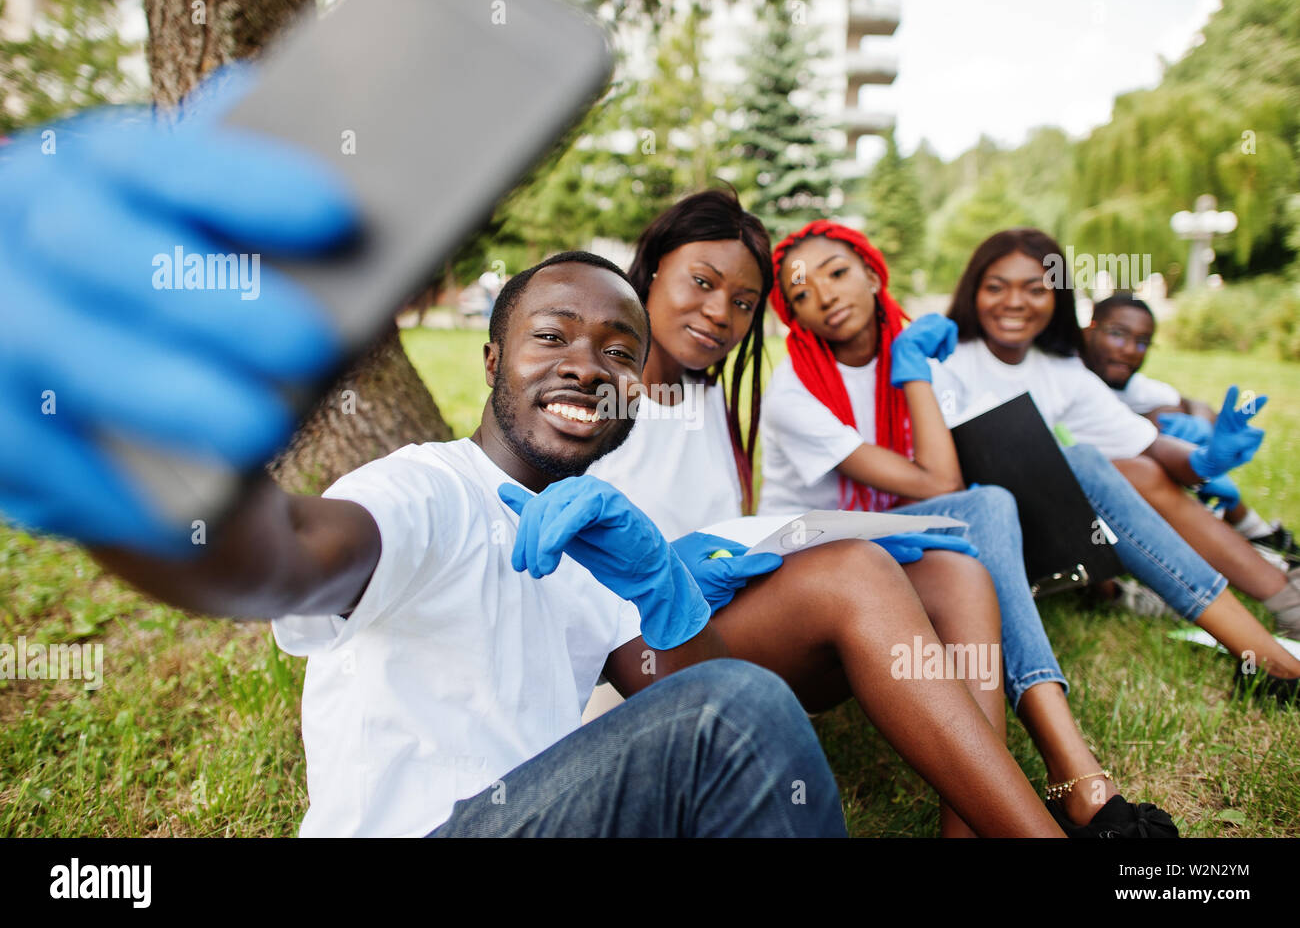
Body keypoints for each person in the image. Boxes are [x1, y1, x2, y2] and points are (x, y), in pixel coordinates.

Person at [0, 106, 854, 836]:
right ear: (491, 360)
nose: (589, 367)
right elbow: (281, 554)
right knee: (735, 715)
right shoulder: (425, 489)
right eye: (553, 337)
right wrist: (129, 451)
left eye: (619, 352)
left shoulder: (598, 535)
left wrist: (664, 591)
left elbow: (692, 693)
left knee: (737, 703)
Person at [588, 191, 1099, 837]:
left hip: (717, 621)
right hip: (641, 653)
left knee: (957, 573)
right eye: (702, 282)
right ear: (653, 265)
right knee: (856, 569)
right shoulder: (598, 393)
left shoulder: (708, 392)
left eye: (743, 302)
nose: (719, 313)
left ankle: (967, 830)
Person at [752, 218, 1176, 836]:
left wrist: (912, 367)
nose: (826, 296)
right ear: (795, 317)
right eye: (802, 295)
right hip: (813, 560)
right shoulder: (795, 389)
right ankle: (1071, 770)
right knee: (981, 506)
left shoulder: (913, 350)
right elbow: (940, 485)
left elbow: (942, 479)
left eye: (837, 273)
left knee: (991, 507)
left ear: (872, 274)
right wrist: (913, 369)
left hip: (887, 538)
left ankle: (1000, 804)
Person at [932, 228, 1300, 703]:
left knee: (1138, 470)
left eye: (1034, 288)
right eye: (996, 286)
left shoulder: (1060, 370)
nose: (1014, 302)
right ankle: (1268, 657)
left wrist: (1208, 459)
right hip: (971, 535)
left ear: (1057, 296)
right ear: (973, 291)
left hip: (1039, 540)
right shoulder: (945, 357)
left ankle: (1273, 623)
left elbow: (1148, 447)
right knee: (1083, 461)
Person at [1081, 293, 1299, 570]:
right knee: (1152, 453)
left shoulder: (1128, 383)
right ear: (1089, 330)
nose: (1129, 349)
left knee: (1168, 420)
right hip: (1088, 487)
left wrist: (1204, 431)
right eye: (1117, 334)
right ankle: (1256, 546)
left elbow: (1192, 404)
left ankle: (1257, 537)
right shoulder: (1070, 377)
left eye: (1143, 342)